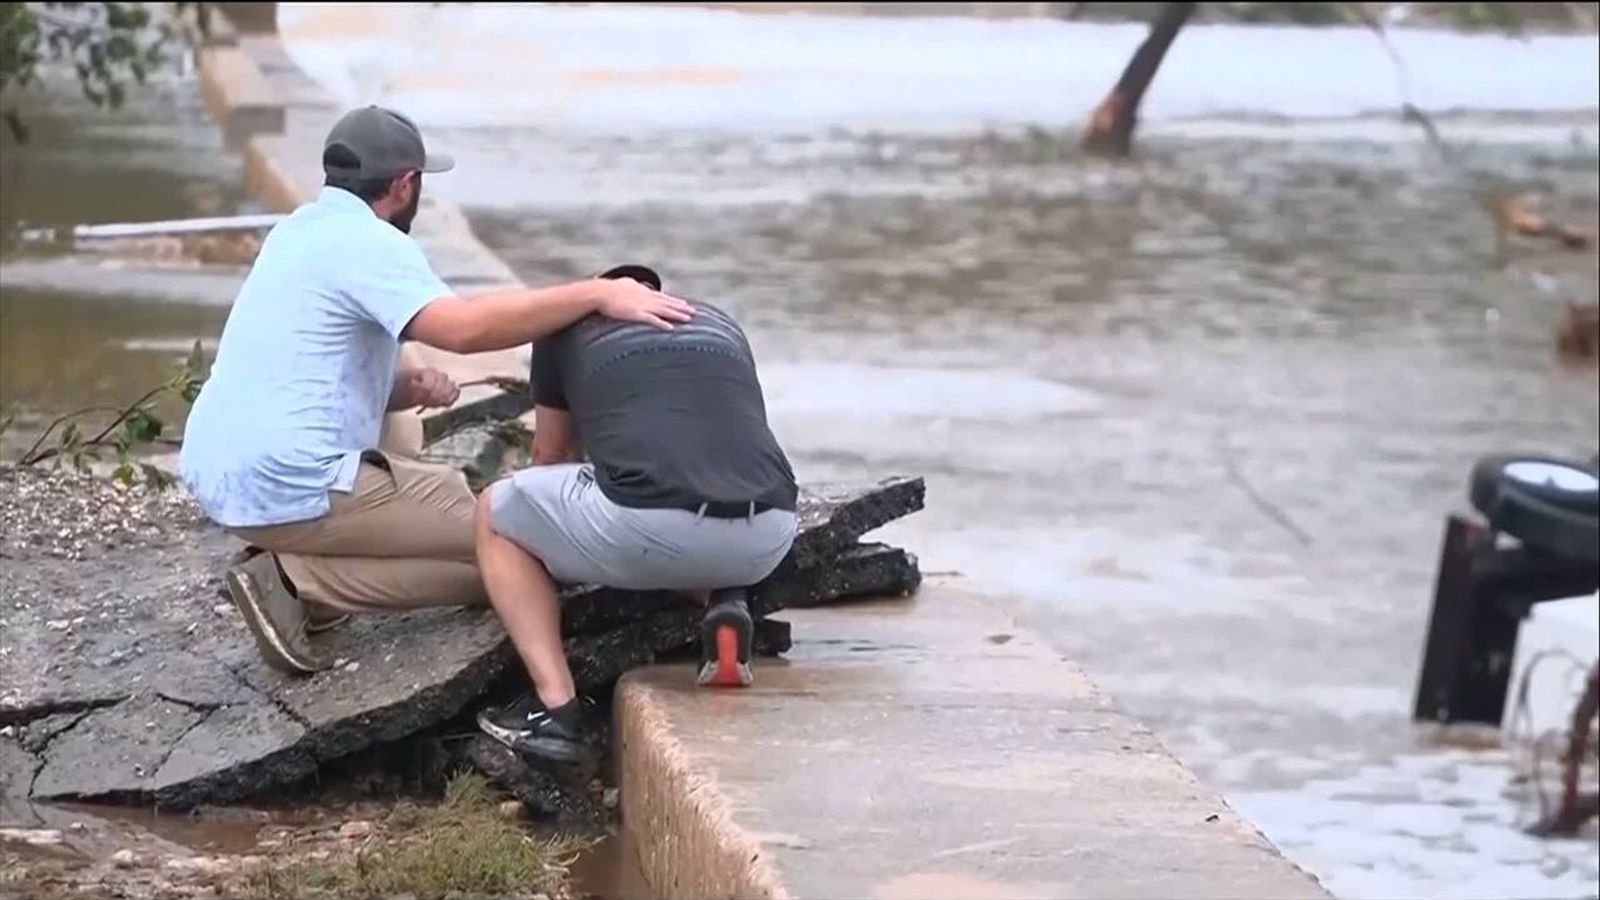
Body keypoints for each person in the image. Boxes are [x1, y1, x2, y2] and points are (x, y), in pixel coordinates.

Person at [179, 106, 693, 675]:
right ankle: (301, 582)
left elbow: (304, 366)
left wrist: (402, 387)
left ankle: (310, 563)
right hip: (286, 483)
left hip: (220, 474)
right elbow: (465, 329)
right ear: (405, 186)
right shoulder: (371, 243)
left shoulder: (296, 232)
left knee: (413, 437)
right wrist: (597, 295)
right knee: (517, 553)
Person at [472, 265, 798, 762]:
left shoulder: (562, 331)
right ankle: (723, 599)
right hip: (771, 533)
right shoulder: (718, 323)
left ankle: (553, 709)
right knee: (670, 498)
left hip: (652, 529)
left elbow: (552, 458)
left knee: (496, 513)